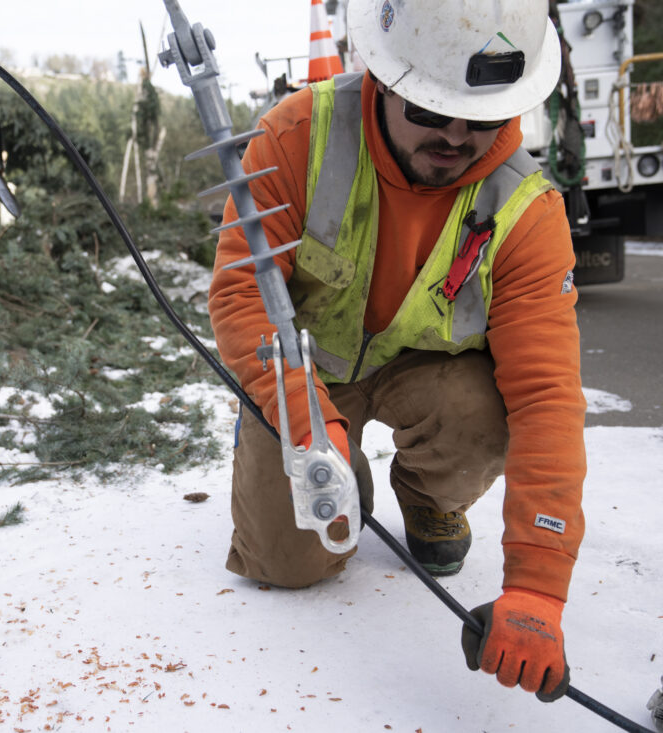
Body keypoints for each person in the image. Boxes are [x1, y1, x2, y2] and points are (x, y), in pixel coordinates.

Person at [208, 0, 585, 701]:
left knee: (485, 412)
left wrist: (538, 586)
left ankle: (430, 496)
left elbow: (547, 398)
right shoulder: (298, 137)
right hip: (308, 370)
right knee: (287, 564)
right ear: (385, 78)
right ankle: (334, 455)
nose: (456, 137)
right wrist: (309, 426)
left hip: (427, 376)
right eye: (432, 110)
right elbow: (241, 296)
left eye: (482, 118)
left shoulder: (527, 211)